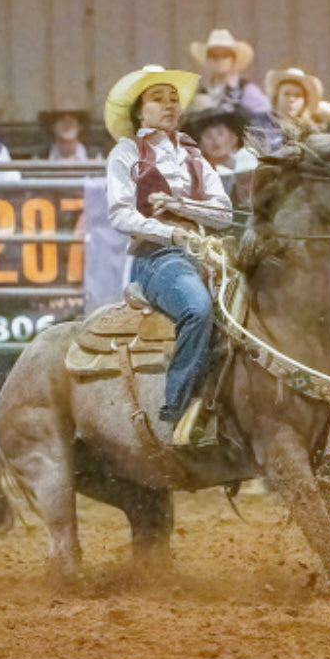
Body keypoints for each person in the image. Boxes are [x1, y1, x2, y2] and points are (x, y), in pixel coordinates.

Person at [103, 65, 233, 443]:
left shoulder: (194, 155)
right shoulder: (126, 153)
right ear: (139, 112)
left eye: (173, 99)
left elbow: (223, 212)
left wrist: (181, 207)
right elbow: (120, 214)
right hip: (157, 259)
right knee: (197, 308)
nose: (169, 105)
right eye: (157, 99)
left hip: (205, 254)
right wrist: (172, 233)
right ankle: (175, 410)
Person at [180, 98, 255, 207]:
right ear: (200, 145)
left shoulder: (248, 163)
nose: (215, 140)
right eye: (208, 136)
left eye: (220, 133)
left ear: (233, 139)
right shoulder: (198, 174)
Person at [189, 29, 271, 114]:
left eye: (225, 55)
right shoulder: (202, 93)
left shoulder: (246, 89)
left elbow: (265, 117)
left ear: (233, 60)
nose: (219, 60)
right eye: (213, 55)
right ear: (208, 60)